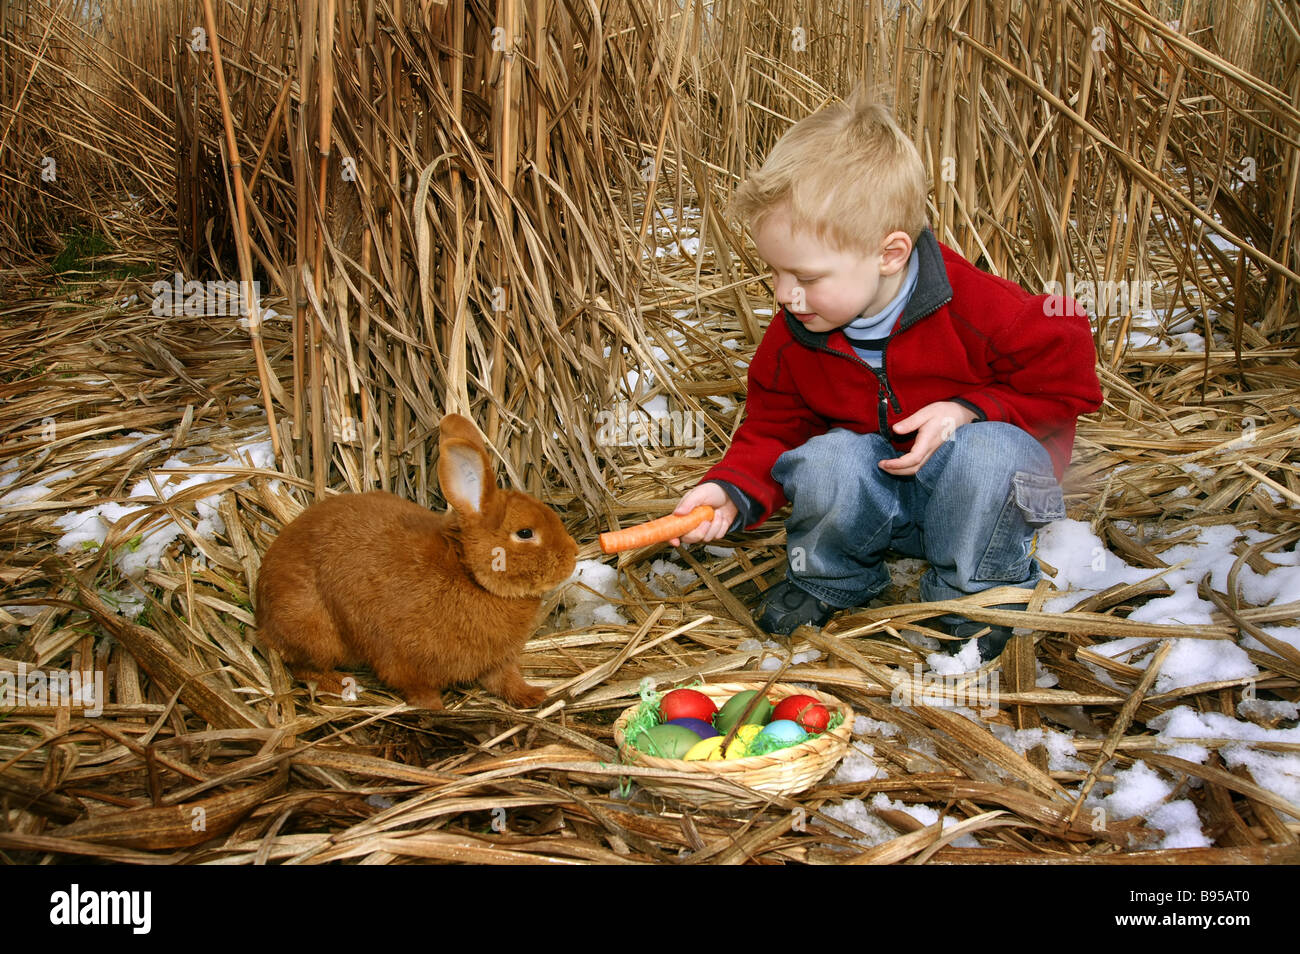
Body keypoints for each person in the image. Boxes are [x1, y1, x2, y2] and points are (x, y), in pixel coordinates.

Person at [669, 87, 1103, 661]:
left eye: (805, 274)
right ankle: (830, 578)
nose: (784, 294)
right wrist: (731, 489)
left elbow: (1066, 386)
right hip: (884, 505)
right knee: (827, 458)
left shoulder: (985, 312)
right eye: (774, 271)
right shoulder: (796, 335)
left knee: (989, 451)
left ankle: (979, 592)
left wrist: (972, 409)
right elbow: (774, 429)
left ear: (890, 254)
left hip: (981, 501)